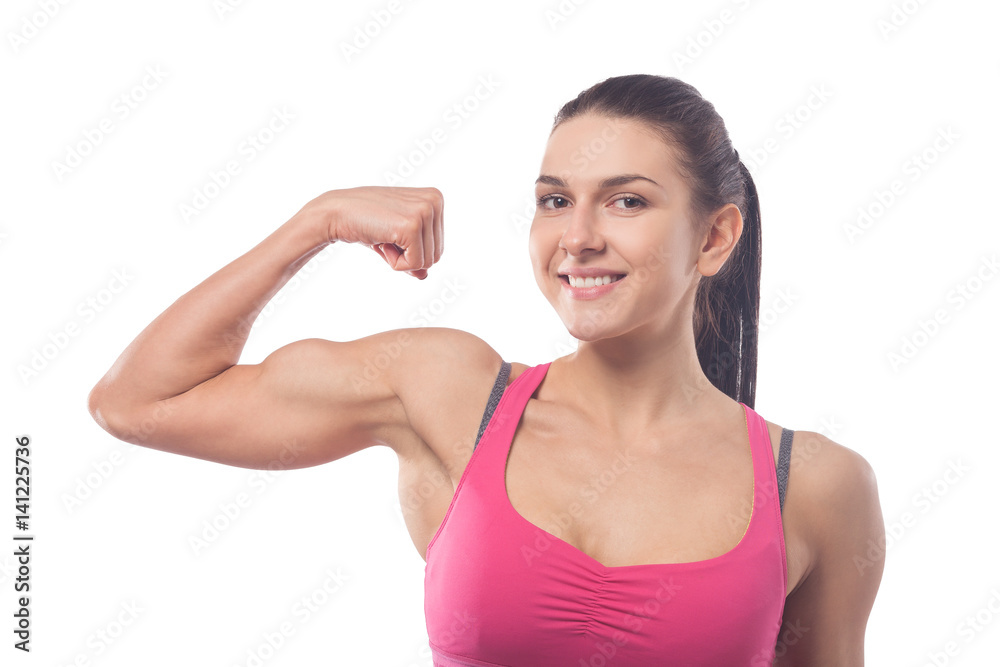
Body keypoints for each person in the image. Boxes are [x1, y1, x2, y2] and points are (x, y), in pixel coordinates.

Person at [88, 74, 885, 665]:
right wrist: (318, 220)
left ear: (715, 238)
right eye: (553, 200)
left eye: (627, 202)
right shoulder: (448, 393)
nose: (576, 237)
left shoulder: (812, 484)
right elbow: (139, 400)